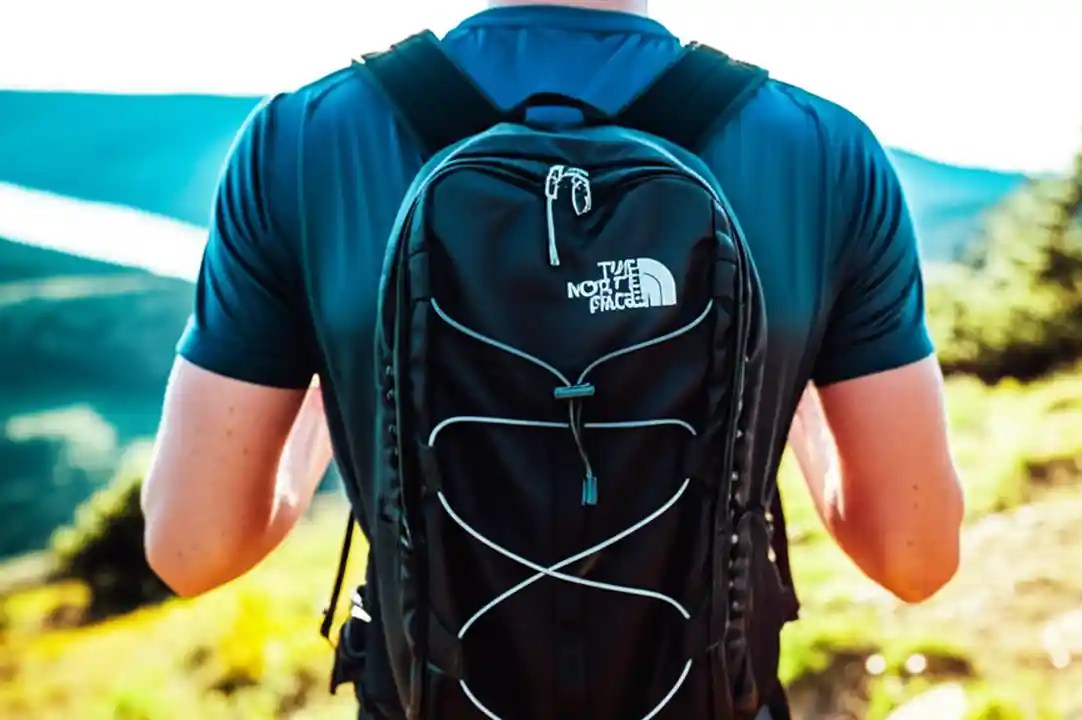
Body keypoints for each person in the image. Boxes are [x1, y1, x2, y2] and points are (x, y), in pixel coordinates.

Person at [141, 0, 965, 717]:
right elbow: (914, 557)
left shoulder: (304, 139)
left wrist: (338, 382)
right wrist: (787, 376)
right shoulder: (822, 150)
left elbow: (192, 548)